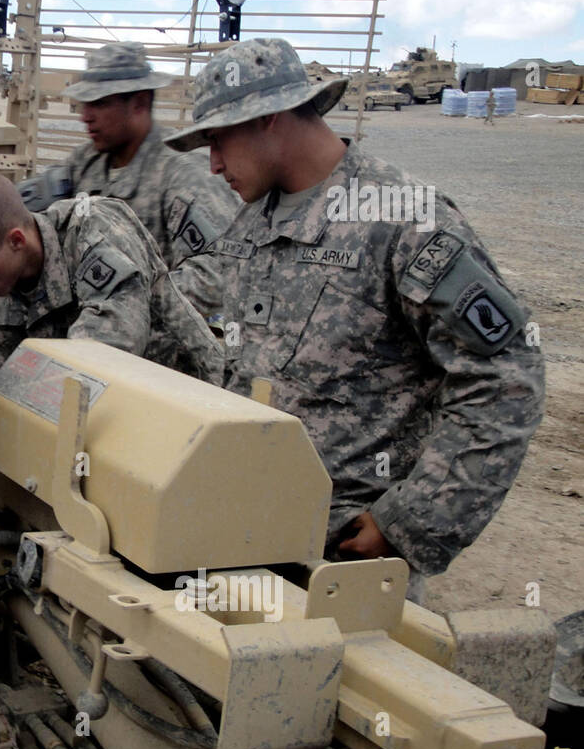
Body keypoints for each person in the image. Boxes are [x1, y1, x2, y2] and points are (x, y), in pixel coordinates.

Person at [164, 38, 544, 600]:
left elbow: (506, 379)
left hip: (343, 558)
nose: (214, 164)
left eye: (218, 141)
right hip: (244, 533)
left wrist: (410, 522)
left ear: (269, 118)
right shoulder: (249, 225)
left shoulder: (404, 221)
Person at [0, 42, 240, 321]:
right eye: (85, 104)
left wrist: (124, 293)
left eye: (100, 104)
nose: (86, 116)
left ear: (139, 102)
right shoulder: (89, 163)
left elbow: (220, 273)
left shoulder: (180, 176)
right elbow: (23, 197)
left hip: (157, 366)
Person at [0, 170, 223, 382]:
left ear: (17, 241)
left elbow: (103, 355)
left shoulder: (94, 233)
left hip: (185, 401)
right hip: (103, 419)